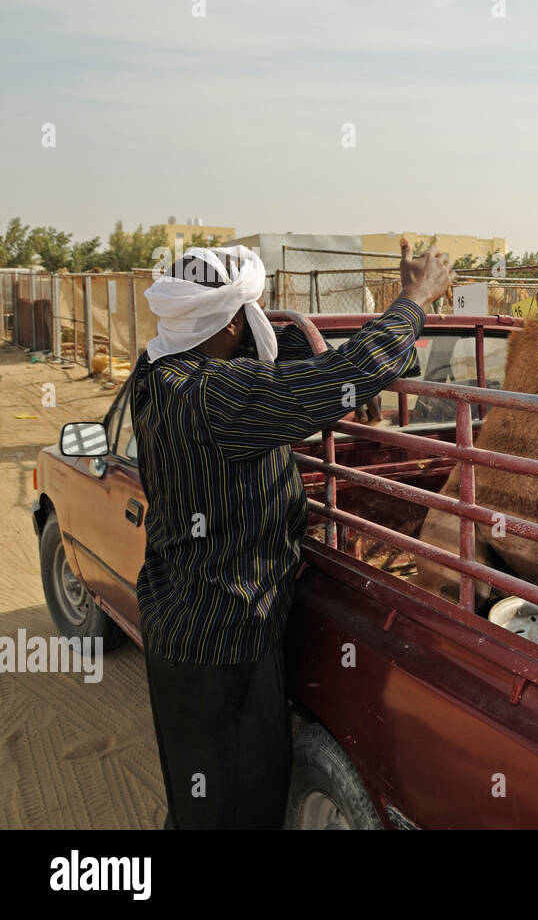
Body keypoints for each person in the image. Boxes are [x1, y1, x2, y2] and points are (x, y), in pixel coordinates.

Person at [131, 240, 452, 829]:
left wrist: (370, 360)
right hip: (224, 637)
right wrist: (414, 299)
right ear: (232, 323)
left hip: (186, 620)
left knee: (198, 794)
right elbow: (333, 381)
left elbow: (302, 374)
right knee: (239, 806)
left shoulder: (158, 372)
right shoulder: (212, 398)